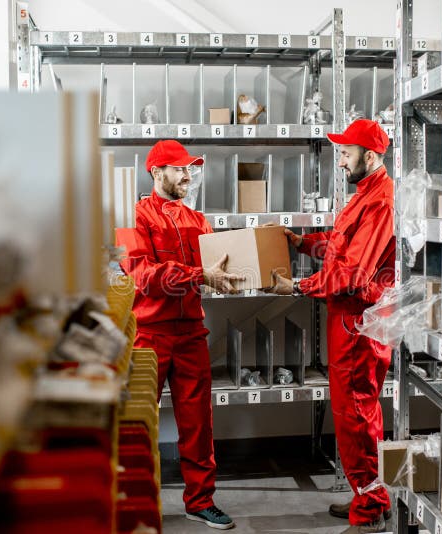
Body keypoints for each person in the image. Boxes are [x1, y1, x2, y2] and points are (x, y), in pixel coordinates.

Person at [266, 119, 396, 534]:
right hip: (348, 321)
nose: (340, 161)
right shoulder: (364, 196)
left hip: (360, 324)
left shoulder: (380, 202)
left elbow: (354, 275)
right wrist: (302, 242)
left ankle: (369, 512)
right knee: (352, 415)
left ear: (369, 155)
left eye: (345, 153)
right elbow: (341, 250)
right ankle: (369, 495)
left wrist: (299, 285)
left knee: (356, 416)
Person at [117, 140, 242, 530]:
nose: (188, 175)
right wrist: (197, 275)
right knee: (136, 423)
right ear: (157, 173)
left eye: (191, 168)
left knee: (198, 424)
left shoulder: (197, 219)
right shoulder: (134, 218)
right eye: (179, 168)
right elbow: (142, 275)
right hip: (149, 334)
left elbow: (211, 267)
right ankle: (133, 504)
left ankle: (200, 501)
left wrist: (227, 275)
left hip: (190, 333)